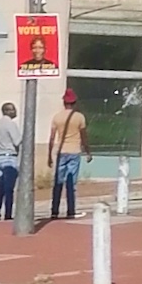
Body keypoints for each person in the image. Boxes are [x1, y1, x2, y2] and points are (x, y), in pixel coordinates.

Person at [47, 89, 90, 219]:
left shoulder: (57, 117)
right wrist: (88, 151)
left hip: (61, 152)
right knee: (71, 183)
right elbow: (84, 137)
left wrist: (49, 155)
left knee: (58, 183)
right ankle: (70, 211)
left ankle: (54, 211)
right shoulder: (79, 117)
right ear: (74, 102)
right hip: (74, 152)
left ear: (64, 102)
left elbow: (52, 138)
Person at [0, 102, 22, 222]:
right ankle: (8, 214)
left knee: (0, 188)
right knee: (9, 189)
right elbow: (17, 141)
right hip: (9, 157)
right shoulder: (11, 124)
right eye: (13, 110)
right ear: (8, 111)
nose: (15, 112)